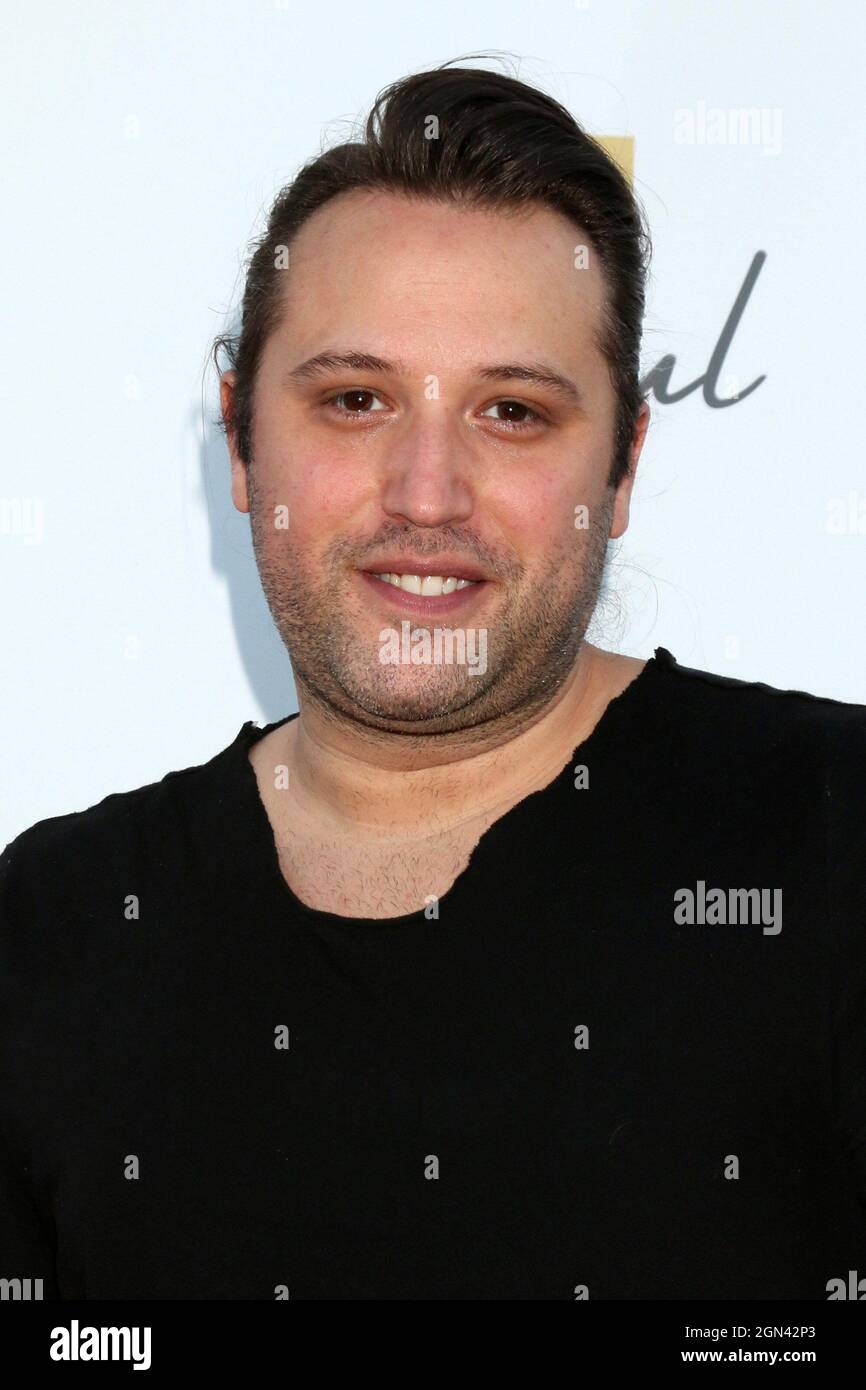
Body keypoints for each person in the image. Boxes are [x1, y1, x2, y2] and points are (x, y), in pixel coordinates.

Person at [1, 60, 864, 1302]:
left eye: (509, 412)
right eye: (355, 400)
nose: (424, 493)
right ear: (242, 440)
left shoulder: (828, 833)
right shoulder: (57, 923)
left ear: (619, 471)